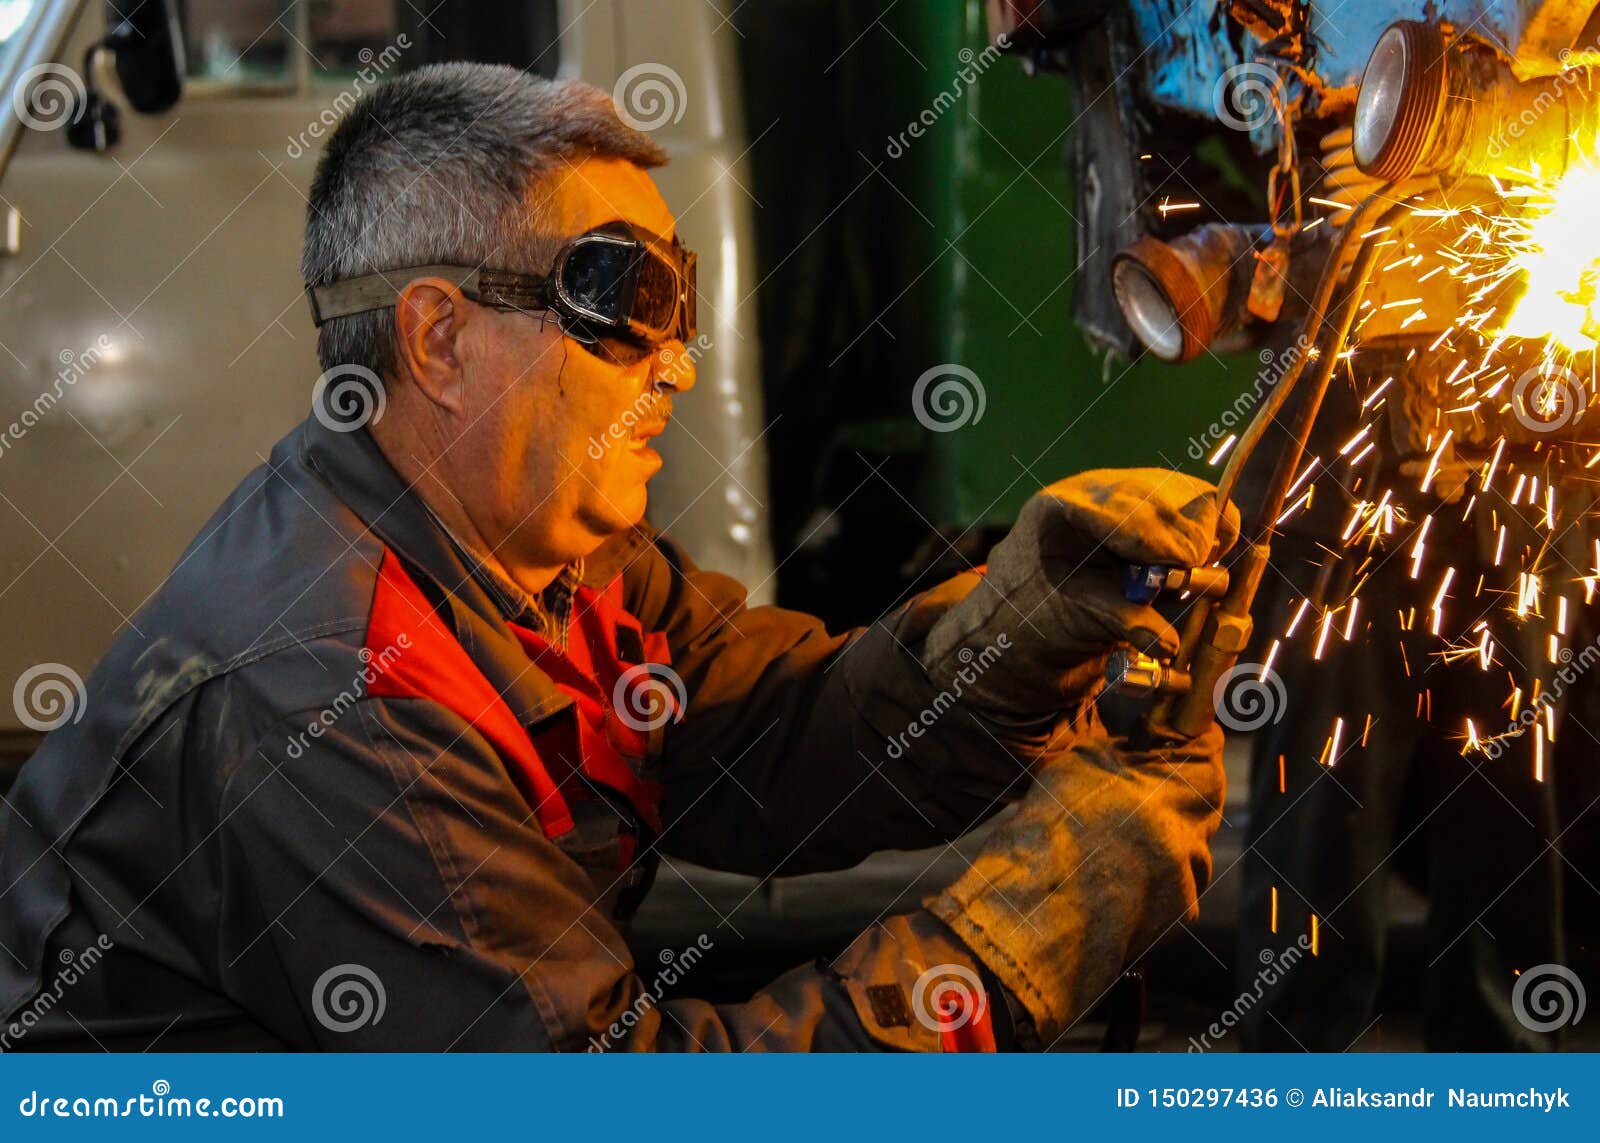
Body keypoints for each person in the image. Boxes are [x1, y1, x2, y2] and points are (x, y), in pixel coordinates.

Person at [0, 64, 1235, 1051]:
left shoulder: (550, 563)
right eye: (621, 300)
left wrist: (1023, 633)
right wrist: (1023, 937)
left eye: (680, 303)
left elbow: (779, 745)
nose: (679, 365)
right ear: (437, 339)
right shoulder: (332, 696)